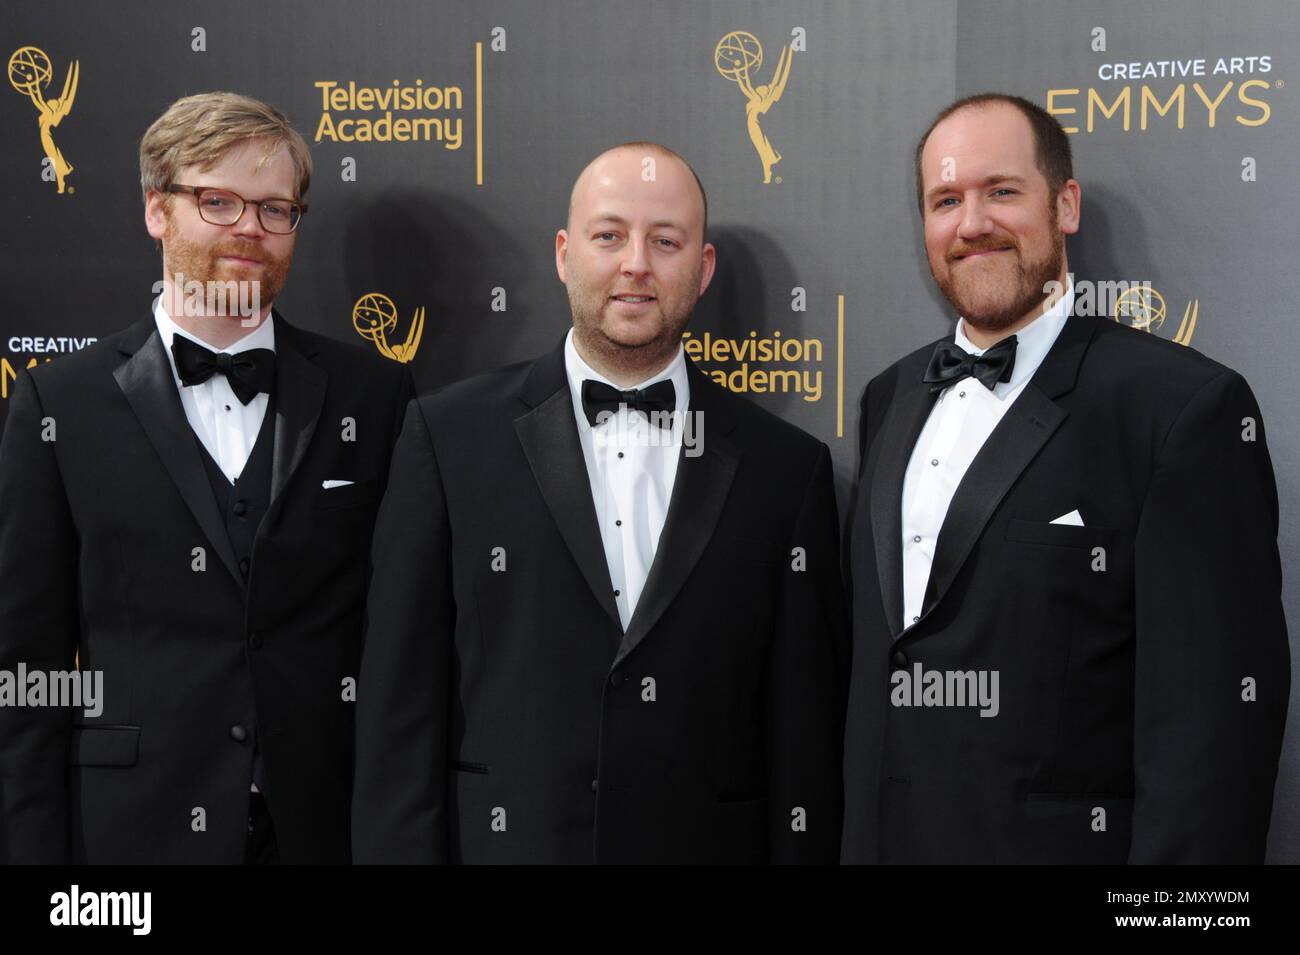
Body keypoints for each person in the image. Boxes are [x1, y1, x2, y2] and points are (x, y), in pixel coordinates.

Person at [352, 142, 847, 864]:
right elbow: (398, 715)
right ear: (564, 253)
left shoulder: (787, 470)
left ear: (703, 269)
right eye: (609, 235)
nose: (636, 263)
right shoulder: (448, 437)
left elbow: (803, 741)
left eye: (665, 240)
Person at [841, 93, 1289, 864]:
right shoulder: (889, 396)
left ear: (1066, 205)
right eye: (945, 199)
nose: (971, 222)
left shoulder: (1178, 407)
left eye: (1001, 191)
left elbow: (1211, 736)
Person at [0, 92, 413, 864]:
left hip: (324, 826)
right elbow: (27, 671)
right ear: (157, 209)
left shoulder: (375, 397)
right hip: (128, 836)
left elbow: (404, 647)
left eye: (274, 208)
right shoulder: (60, 404)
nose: (250, 228)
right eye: (217, 201)